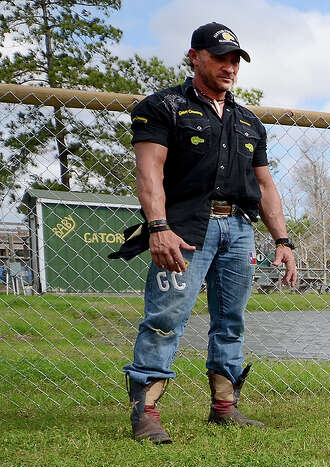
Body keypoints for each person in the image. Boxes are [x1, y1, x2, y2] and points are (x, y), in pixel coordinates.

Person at [112, 22, 296, 444]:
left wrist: (283, 241)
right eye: (220, 57)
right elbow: (149, 171)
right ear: (194, 56)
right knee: (166, 317)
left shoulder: (248, 121)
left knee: (230, 319)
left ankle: (225, 406)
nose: (229, 67)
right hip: (184, 230)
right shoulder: (163, 107)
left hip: (238, 229)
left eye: (235, 60)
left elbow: (265, 185)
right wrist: (158, 227)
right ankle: (146, 412)